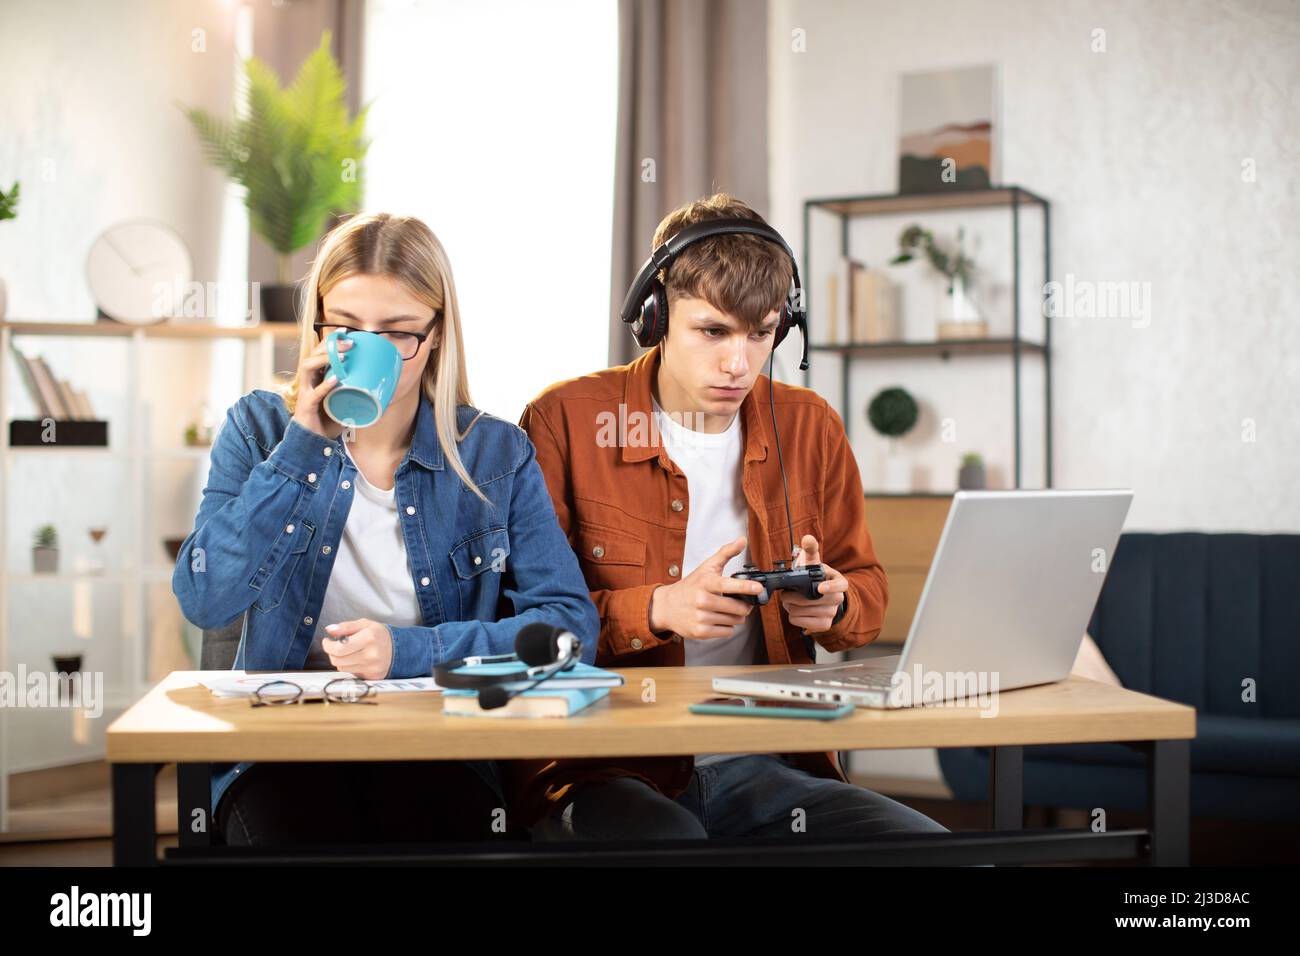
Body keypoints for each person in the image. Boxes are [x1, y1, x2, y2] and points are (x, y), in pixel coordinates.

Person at [510, 193, 948, 841]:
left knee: (939, 853)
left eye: (762, 333)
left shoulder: (810, 426)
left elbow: (868, 593)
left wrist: (835, 604)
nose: (738, 363)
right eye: (713, 331)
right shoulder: (567, 420)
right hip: (606, 763)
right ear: (656, 317)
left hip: (766, 759)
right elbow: (517, 628)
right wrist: (657, 609)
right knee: (673, 845)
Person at [172, 212, 599, 846]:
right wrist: (302, 450)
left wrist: (407, 653)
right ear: (318, 325)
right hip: (283, 747)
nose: (366, 349)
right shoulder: (259, 430)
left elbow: (569, 633)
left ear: (435, 336)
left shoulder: (493, 454)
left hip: (438, 744)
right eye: (344, 328)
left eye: (397, 333)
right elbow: (204, 596)